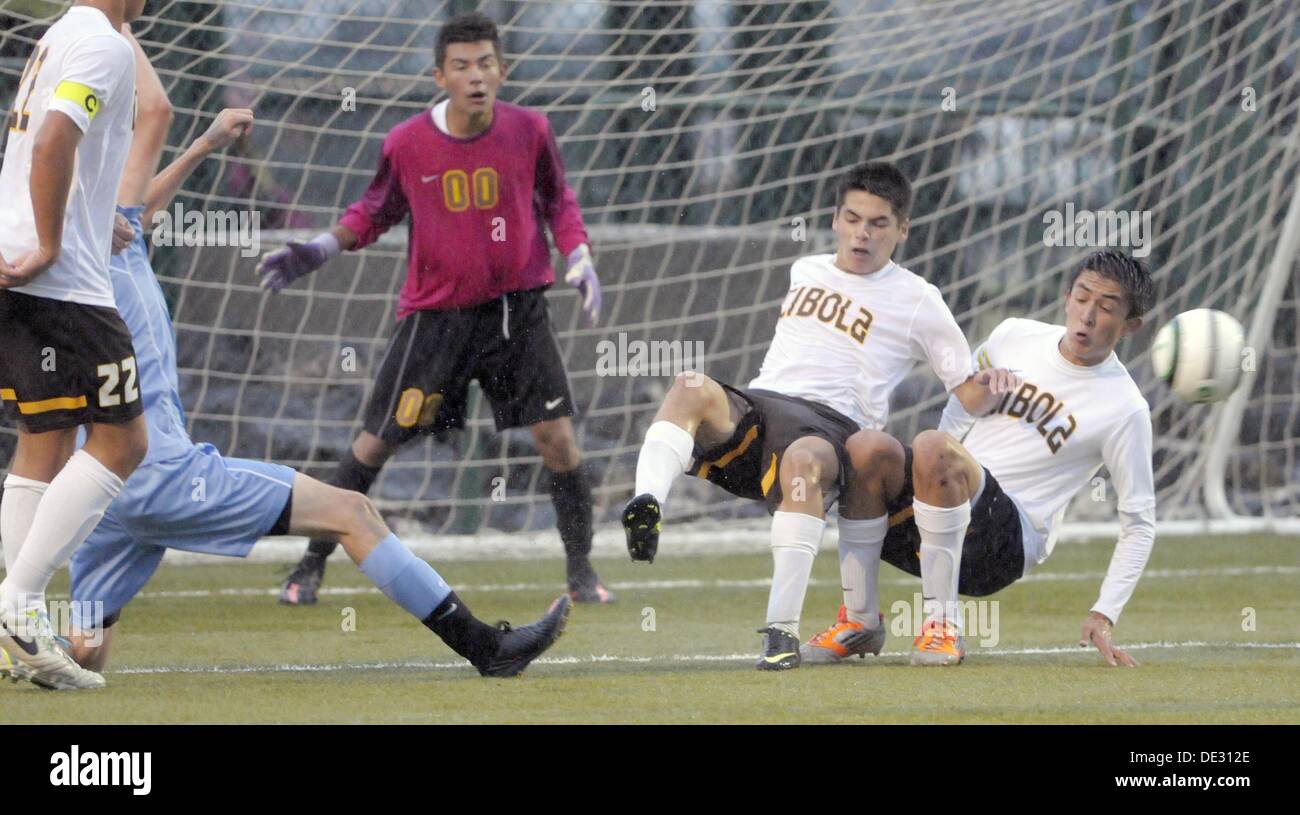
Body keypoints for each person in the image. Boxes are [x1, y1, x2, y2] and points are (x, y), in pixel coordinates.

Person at [0, 32, 570, 685]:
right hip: (161, 476)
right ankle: (486, 646)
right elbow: (153, 110)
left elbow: (134, 197)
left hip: (111, 499)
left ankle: (33, 641)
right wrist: (111, 22)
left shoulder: (89, 243)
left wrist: (206, 145)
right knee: (350, 512)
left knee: (85, 648)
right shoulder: (101, 238)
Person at [256, 12, 612, 606]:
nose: (476, 76)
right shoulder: (407, 142)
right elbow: (374, 212)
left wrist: (579, 256)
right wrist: (320, 248)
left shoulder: (531, 130)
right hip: (436, 319)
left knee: (557, 439)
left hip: (515, 313)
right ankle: (307, 567)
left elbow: (559, 201)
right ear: (439, 75)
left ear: (503, 69)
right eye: (462, 65)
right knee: (375, 443)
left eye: (486, 63)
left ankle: (581, 573)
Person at [621, 161, 1019, 670]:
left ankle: (780, 632)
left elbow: (965, 390)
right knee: (689, 386)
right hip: (762, 404)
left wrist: (993, 383)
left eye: (878, 223)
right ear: (835, 220)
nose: (862, 233)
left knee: (803, 460)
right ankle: (647, 505)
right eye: (852, 218)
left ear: (903, 230)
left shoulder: (920, 300)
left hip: (829, 428)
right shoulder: (804, 268)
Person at [802, 250, 1156, 667]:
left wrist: (1104, 612)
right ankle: (859, 620)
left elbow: (1139, 523)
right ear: (1066, 296)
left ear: (1130, 326)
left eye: (1107, 307)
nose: (1088, 315)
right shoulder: (1013, 335)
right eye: (1082, 298)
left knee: (932, 446)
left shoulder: (1125, 408)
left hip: (1002, 545)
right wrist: (943, 452)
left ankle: (942, 627)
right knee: (866, 447)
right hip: (944, 517)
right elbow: (961, 402)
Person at [0, 0, 149, 690]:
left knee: (44, 439)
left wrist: (86, 221)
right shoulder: (107, 45)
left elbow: (52, 151)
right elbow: (55, 140)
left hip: (17, 268)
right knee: (124, 440)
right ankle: (16, 607)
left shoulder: (61, 32)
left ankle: (14, 633)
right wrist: (57, 242)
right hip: (59, 283)